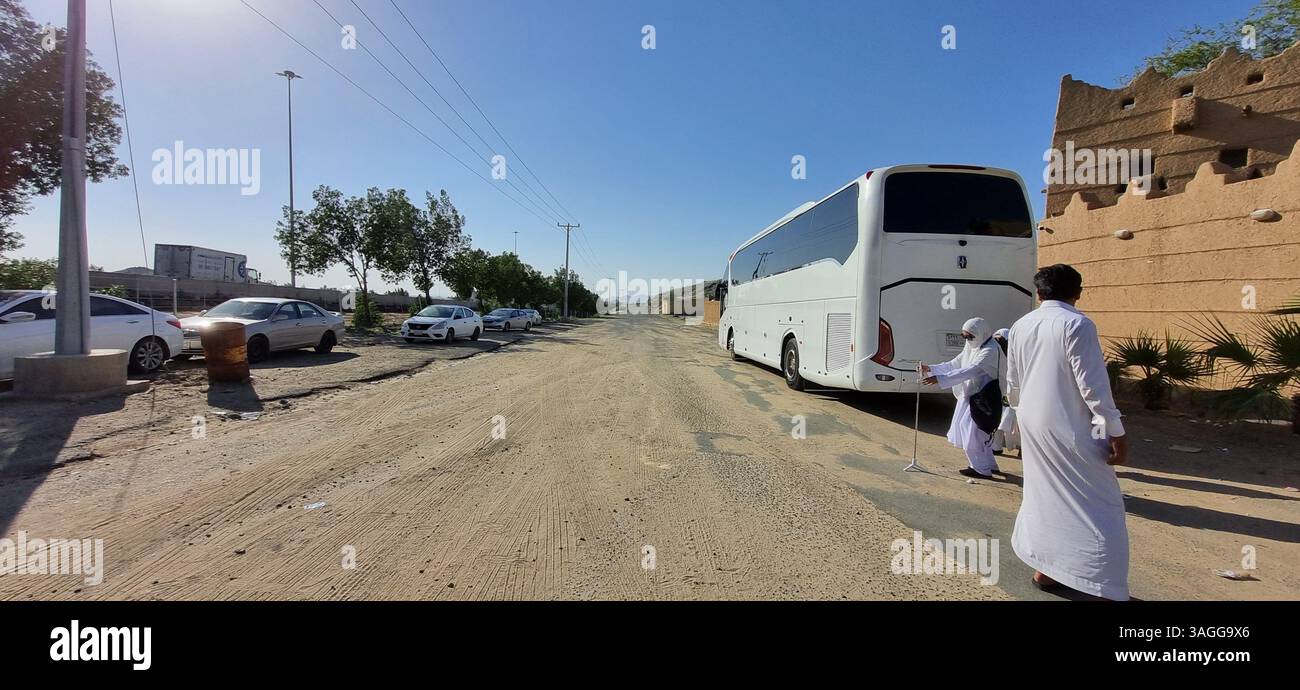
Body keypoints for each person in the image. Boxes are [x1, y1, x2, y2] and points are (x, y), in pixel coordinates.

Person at [1006, 264, 1130, 600]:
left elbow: (1013, 385)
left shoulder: (1021, 325)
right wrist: (1116, 432)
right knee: (1101, 505)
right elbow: (1093, 389)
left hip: (1033, 422)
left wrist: (1020, 419)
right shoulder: (1078, 324)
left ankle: (1045, 571)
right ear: (1078, 293)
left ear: (1039, 293)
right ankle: (1105, 586)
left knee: (1044, 495)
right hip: (1069, 427)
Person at [920, 317, 1002, 479]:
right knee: (977, 434)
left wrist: (940, 379)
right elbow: (955, 364)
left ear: (981, 333)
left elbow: (971, 370)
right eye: (964, 336)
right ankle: (989, 465)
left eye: (970, 337)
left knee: (972, 433)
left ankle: (981, 469)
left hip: (983, 399)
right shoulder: (973, 346)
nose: (967, 340)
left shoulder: (990, 350)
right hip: (971, 396)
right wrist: (932, 369)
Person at [990, 328, 1019, 454]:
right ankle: (996, 446)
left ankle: (1022, 448)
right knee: (1001, 419)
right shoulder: (994, 354)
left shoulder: (1015, 355)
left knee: (1015, 421)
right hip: (1001, 391)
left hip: (1015, 392)